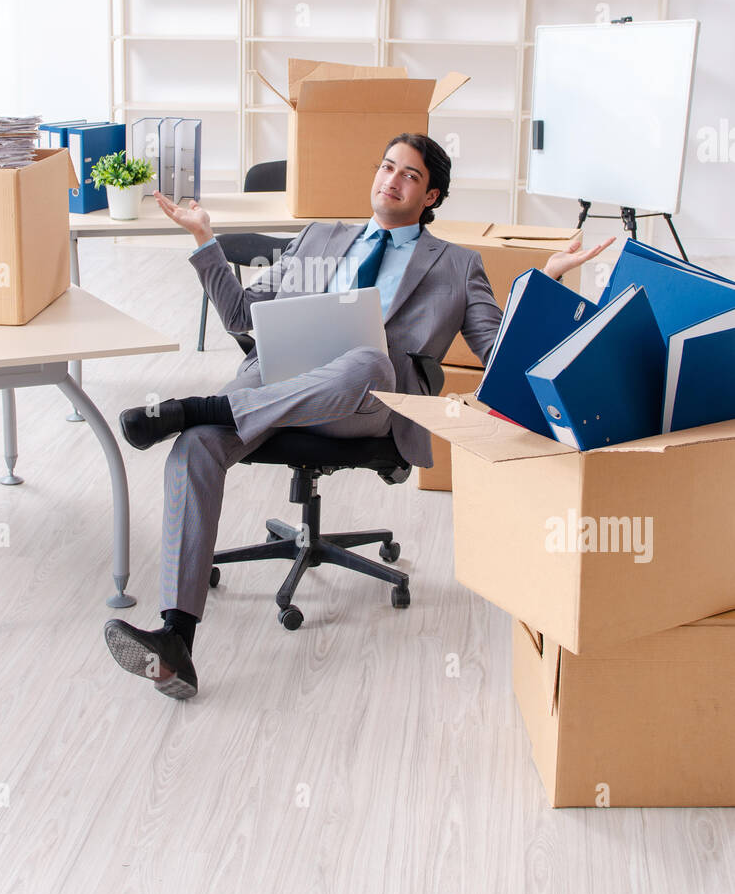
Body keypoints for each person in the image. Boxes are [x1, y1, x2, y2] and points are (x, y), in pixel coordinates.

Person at [104, 133, 613, 699]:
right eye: (387, 165)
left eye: (409, 175)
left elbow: (497, 357)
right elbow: (244, 318)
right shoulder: (322, 238)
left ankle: (197, 408)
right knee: (196, 444)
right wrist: (204, 238)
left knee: (368, 359)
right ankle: (177, 639)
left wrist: (546, 280)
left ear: (431, 196)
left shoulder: (457, 265)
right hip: (278, 384)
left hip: (367, 399)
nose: (390, 180)